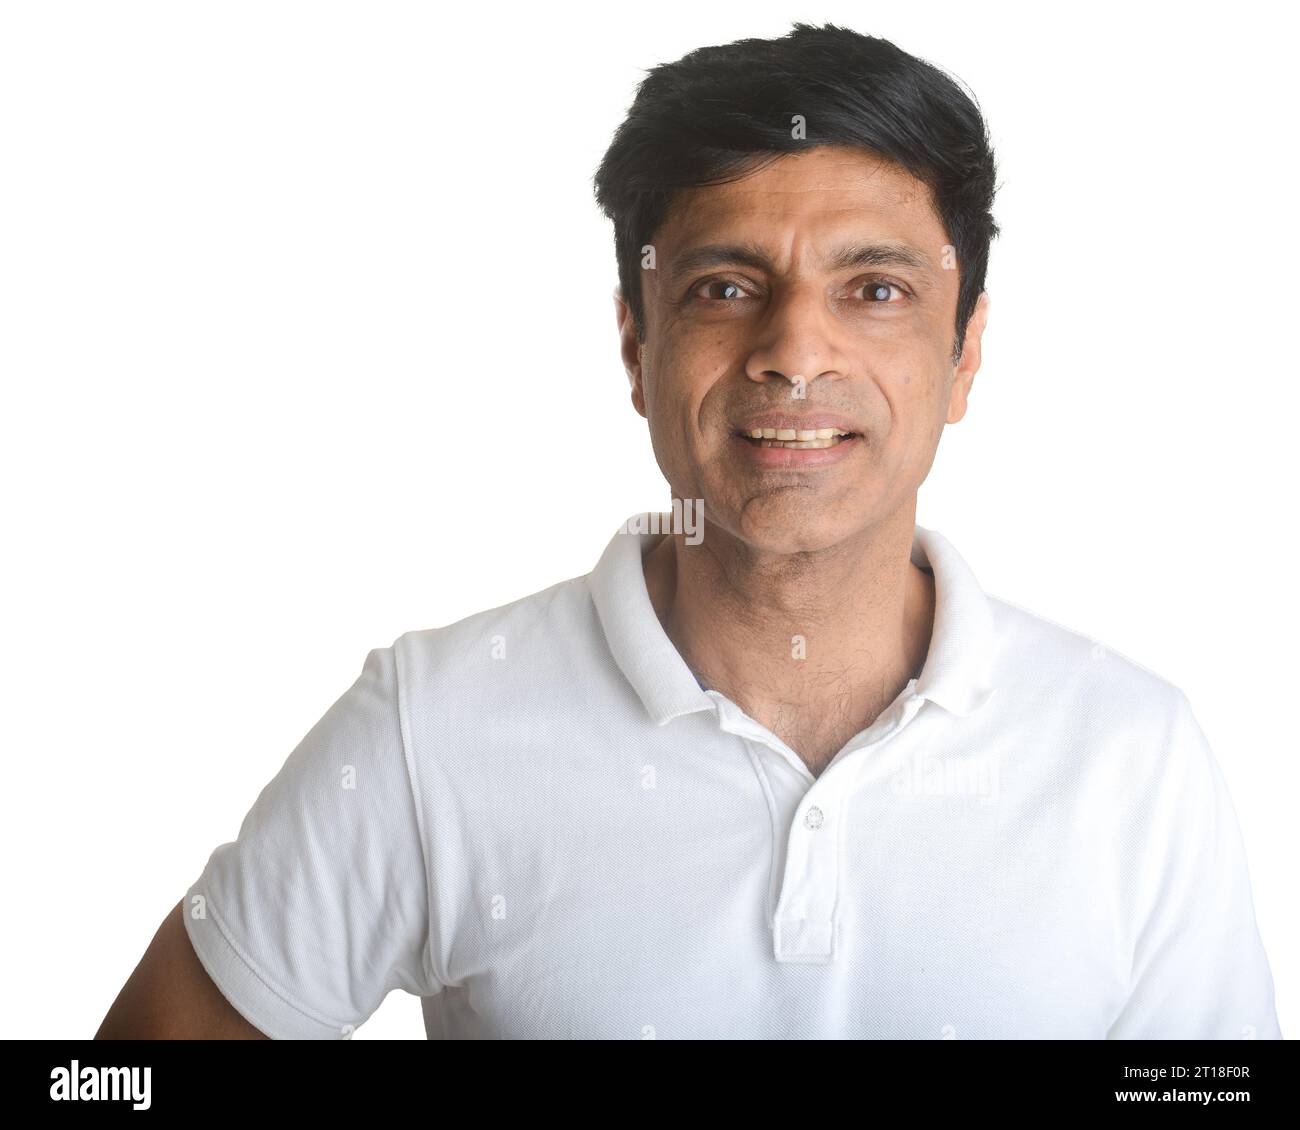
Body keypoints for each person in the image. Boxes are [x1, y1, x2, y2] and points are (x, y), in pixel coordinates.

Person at [97, 21, 1281, 1040]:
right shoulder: (430, 725)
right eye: (724, 286)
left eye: (874, 290)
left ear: (964, 349)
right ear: (635, 345)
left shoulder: (1133, 755)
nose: (794, 352)